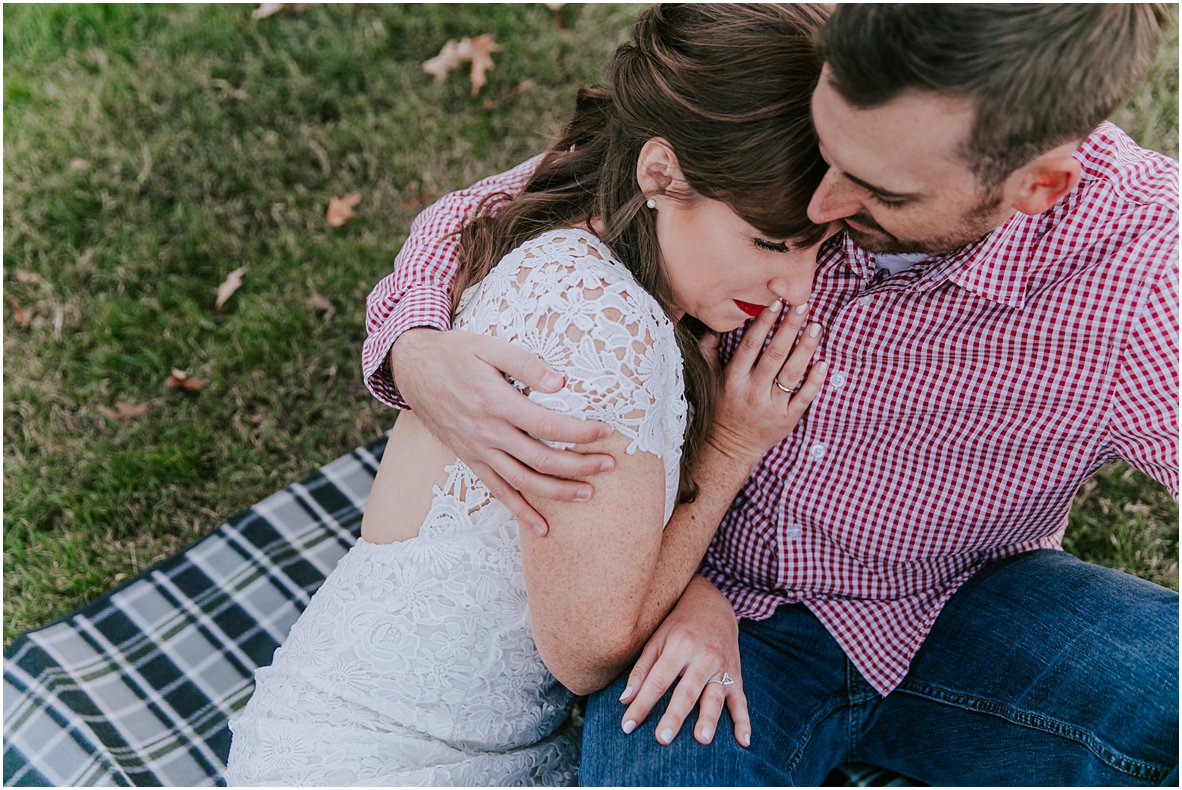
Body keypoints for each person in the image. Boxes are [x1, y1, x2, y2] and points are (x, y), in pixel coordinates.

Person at [363, 3, 1179, 786]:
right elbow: (505, 203)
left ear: (1037, 186)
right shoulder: (827, 49)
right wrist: (416, 348)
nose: (822, 207)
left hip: (960, 599)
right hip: (695, 604)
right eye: (828, 148)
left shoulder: (1146, 274)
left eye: (880, 193)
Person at [225, 4, 836, 785]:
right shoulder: (609, 329)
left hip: (327, 734)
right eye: (769, 242)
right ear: (661, 174)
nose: (797, 287)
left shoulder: (565, 241)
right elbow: (588, 652)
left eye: (816, 248)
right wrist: (731, 449)